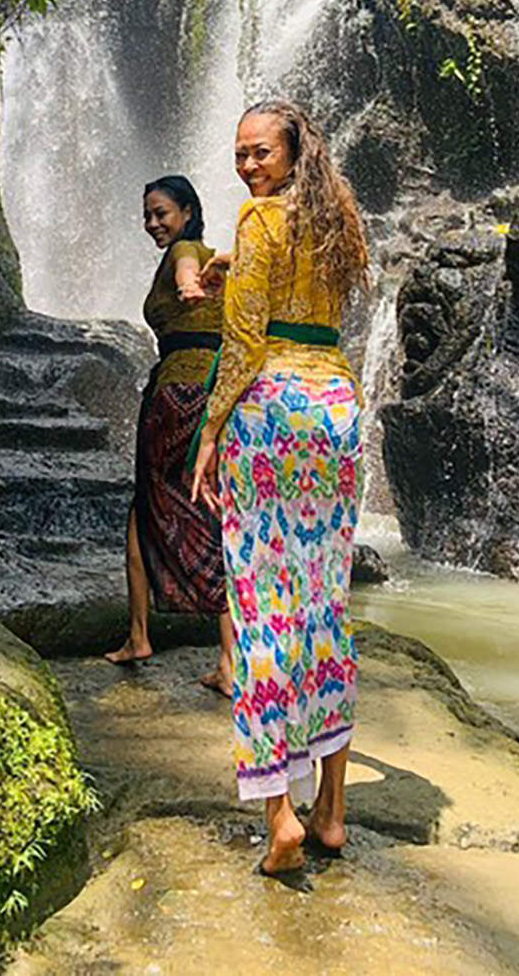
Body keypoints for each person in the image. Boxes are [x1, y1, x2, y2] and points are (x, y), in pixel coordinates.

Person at [191, 99, 369, 886]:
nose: (247, 167)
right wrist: (237, 271)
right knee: (324, 603)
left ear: (293, 152)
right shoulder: (339, 220)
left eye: (259, 153)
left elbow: (245, 342)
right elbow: (304, 308)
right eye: (240, 156)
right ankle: (332, 809)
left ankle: (282, 820)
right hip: (335, 411)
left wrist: (207, 436)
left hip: (270, 415)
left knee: (263, 612)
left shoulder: (259, 220)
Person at [106, 175, 235, 693]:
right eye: (147, 215)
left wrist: (186, 282)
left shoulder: (187, 251)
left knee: (189, 512)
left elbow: (185, 268)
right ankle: (143, 635)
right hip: (205, 394)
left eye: (161, 212)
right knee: (153, 510)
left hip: (178, 397)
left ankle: (221, 659)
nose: (152, 223)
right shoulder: (217, 261)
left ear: (186, 212)